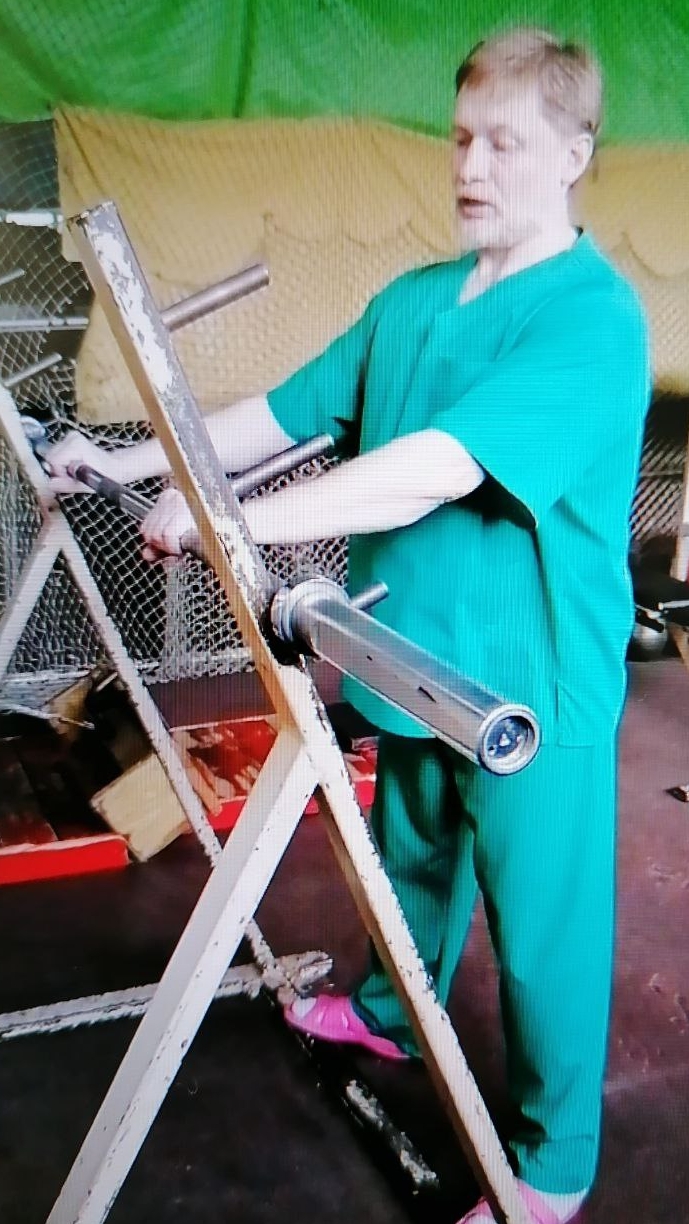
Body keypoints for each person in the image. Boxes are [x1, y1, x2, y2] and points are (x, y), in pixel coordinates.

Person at [45, 27, 651, 1224]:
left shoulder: (591, 319)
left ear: (572, 154)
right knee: (406, 866)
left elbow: (433, 469)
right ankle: (388, 1016)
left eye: (503, 144)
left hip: (532, 683)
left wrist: (229, 523)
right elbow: (277, 414)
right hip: (407, 650)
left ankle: (553, 1166)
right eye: (460, 137)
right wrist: (125, 456)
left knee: (543, 929)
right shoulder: (412, 302)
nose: (468, 166)